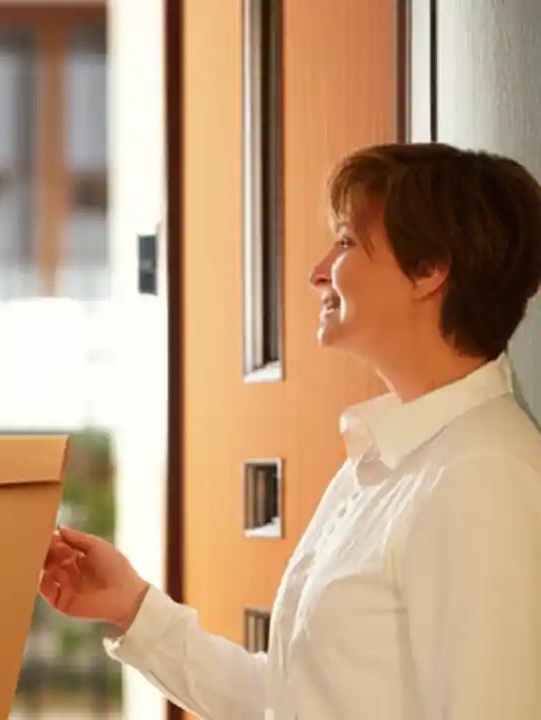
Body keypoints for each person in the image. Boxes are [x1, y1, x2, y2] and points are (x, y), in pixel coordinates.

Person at [41, 143, 541, 719]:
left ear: (429, 271)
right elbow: (288, 702)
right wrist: (130, 608)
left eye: (349, 241)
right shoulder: (383, 461)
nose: (318, 271)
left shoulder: (485, 475)